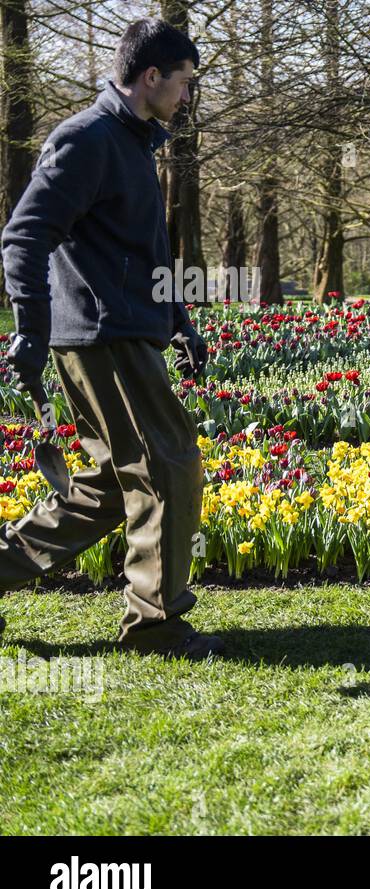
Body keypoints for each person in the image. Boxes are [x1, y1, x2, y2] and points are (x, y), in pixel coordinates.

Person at [0, 19, 221, 659]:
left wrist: (177, 319)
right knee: (167, 468)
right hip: (103, 337)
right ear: (150, 76)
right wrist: (31, 331)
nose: (186, 96)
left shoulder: (131, 143)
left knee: (107, 487)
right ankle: (156, 626)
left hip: (127, 333)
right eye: (183, 83)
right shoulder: (88, 139)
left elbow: (141, 251)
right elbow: (24, 235)